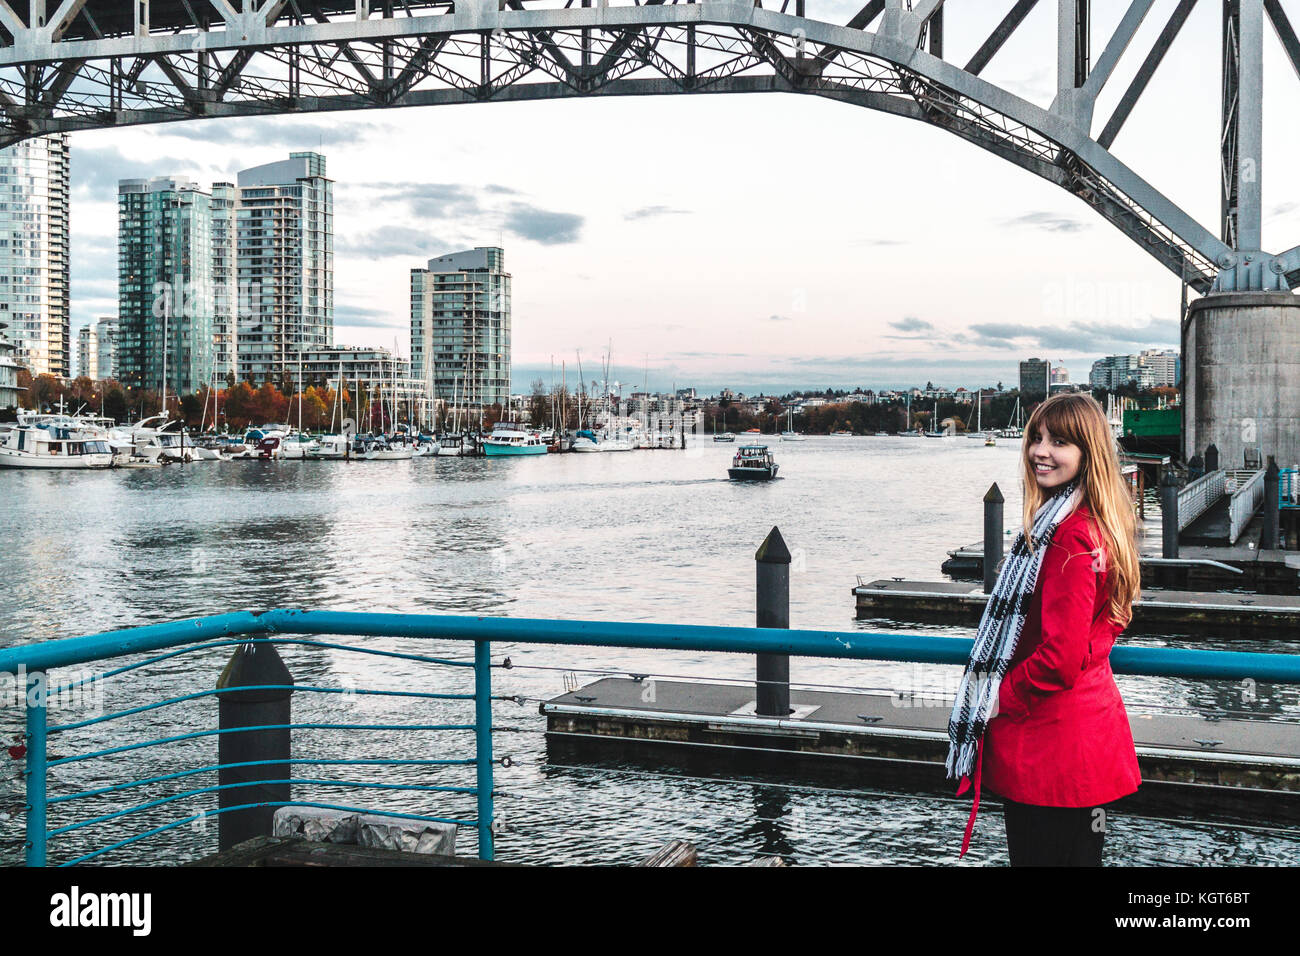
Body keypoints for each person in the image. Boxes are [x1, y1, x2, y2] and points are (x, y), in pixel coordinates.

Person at [946, 392, 1142, 865]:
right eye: (1036, 437)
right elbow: (1113, 616)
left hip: (1050, 749)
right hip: (1084, 744)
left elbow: (1059, 658)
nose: (1040, 450)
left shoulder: (1067, 535)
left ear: (1087, 453)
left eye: (1059, 442)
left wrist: (996, 699)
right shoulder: (1096, 525)